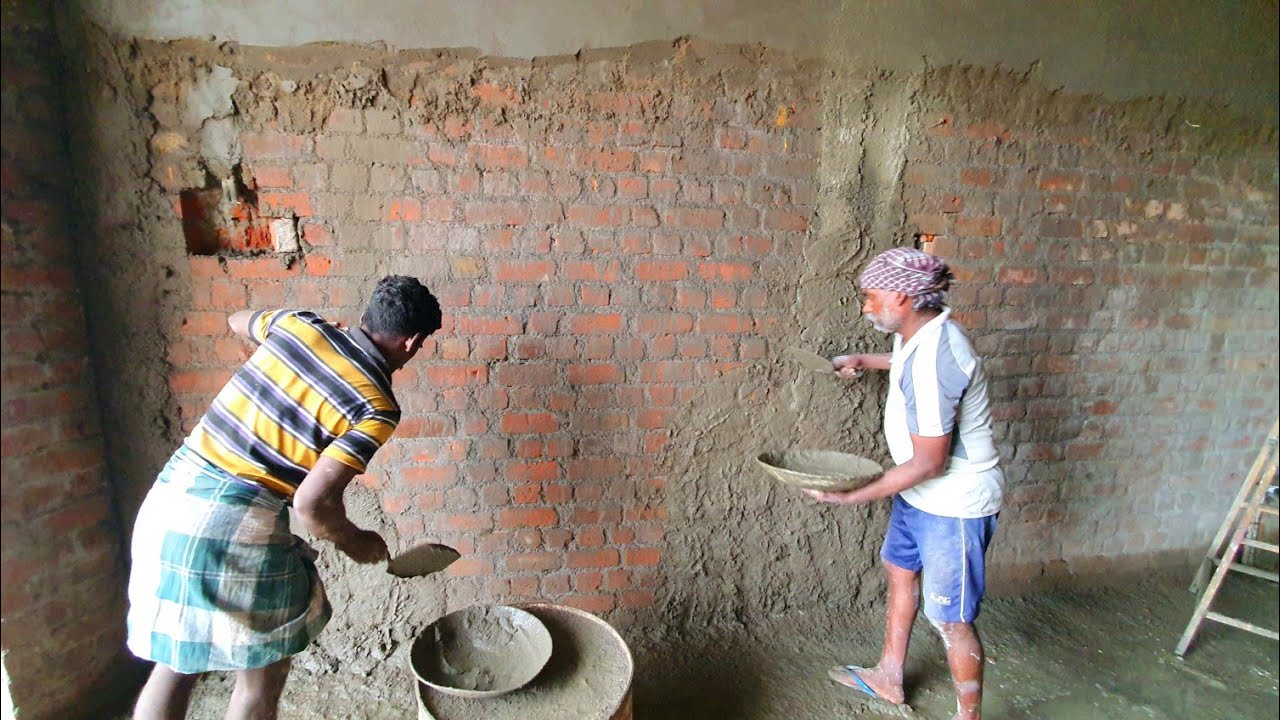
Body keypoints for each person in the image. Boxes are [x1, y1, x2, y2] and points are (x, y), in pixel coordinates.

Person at [127, 275, 442, 720]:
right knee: (262, 672)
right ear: (410, 342)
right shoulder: (376, 406)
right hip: (234, 525)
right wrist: (357, 542)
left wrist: (285, 338)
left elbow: (237, 319)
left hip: (172, 498)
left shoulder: (301, 324)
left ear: (366, 316)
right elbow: (312, 505)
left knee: (175, 663)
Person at [807, 248, 1002, 720]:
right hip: (920, 495)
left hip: (953, 503)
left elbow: (929, 462)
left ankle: (968, 717)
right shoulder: (920, 333)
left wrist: (854, 493)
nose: (866, 307)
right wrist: (862, 359)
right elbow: (904, 363)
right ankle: (888, 677)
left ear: (903, 296)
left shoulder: (935, 358)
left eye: (871, 298)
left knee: (950, 618)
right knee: (900, 571)